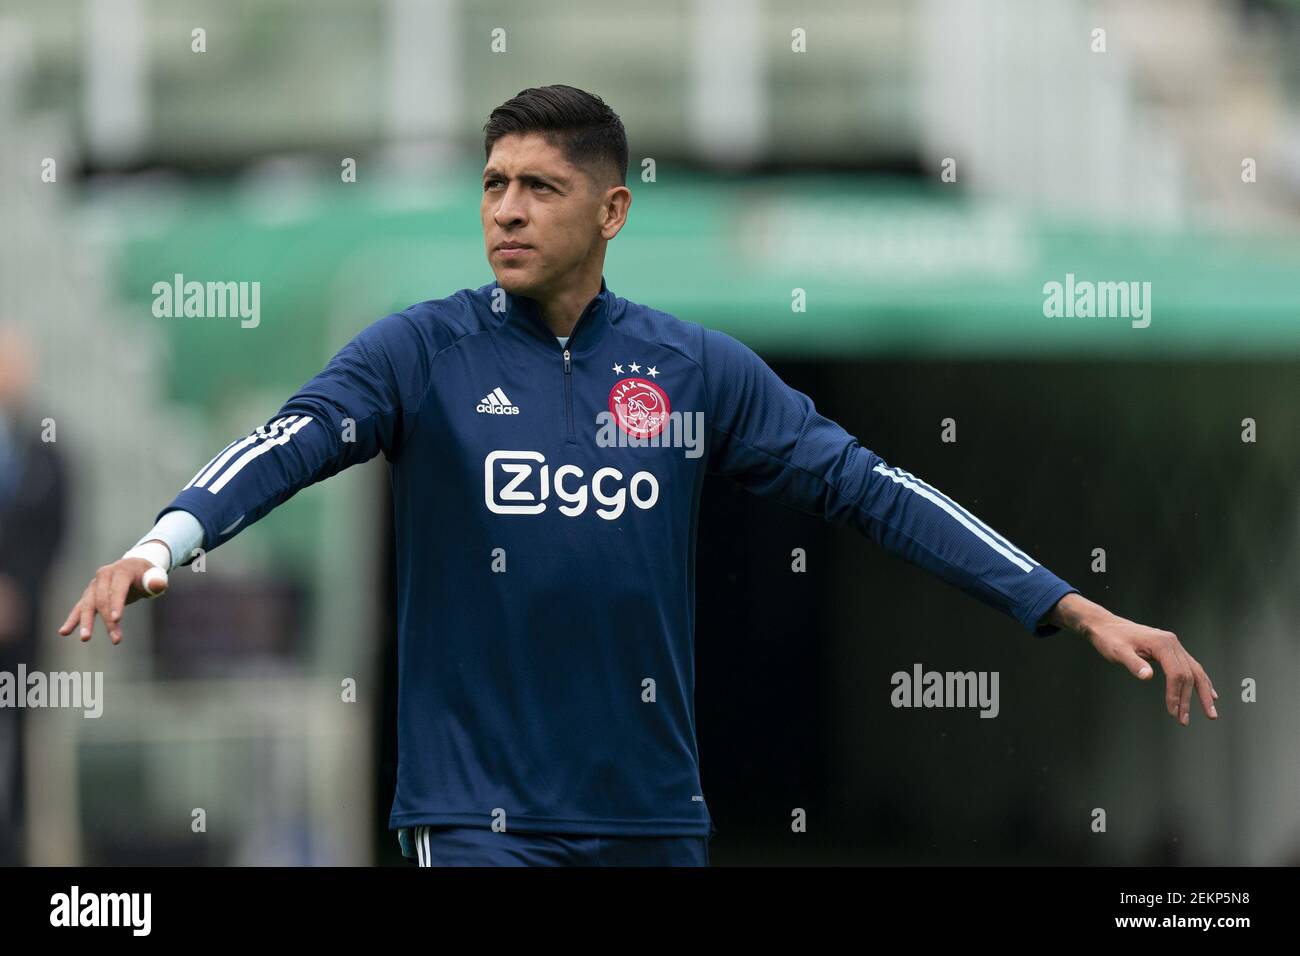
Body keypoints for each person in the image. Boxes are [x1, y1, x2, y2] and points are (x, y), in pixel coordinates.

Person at [57, 85, 1218, 867]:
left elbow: (872, 485)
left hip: (650, 815)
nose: (505, 209)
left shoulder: (692, 369)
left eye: (539, 187)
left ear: (610, 209)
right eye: (493, 183)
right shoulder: (422, 349)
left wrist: (1064, 601)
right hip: (478, 817)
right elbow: (295, 435)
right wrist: (168, 539)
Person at [0, 325, 69, 864]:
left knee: (24, 741)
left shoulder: (48, 448)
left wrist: (19, 592)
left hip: (23, 628)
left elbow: (56, 527)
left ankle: (18, 845)